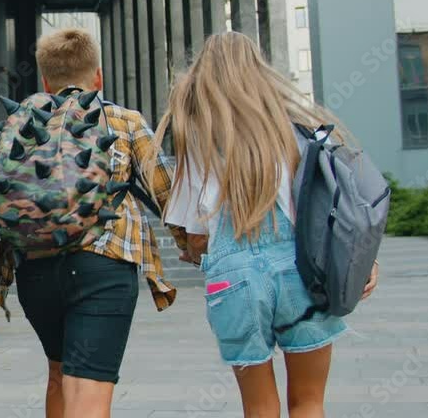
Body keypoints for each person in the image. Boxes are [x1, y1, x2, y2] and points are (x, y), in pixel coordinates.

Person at [155, 32, 379, 418]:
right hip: (300, 274)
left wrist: (193, 253)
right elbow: (330, 211)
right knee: (308, 401)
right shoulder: (296, 132)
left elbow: (196, 235)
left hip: (235, 281)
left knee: (258, 408)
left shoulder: (198, 139)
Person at [11, 28, 184, 418]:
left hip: (36, 270)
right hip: (103, 264)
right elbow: (165, 191)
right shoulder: (123, 120)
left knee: (58, 375)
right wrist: (192, 245)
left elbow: (5, 196)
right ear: (98, 77)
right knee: (88, 387)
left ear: (45, 80)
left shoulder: (22, 124)